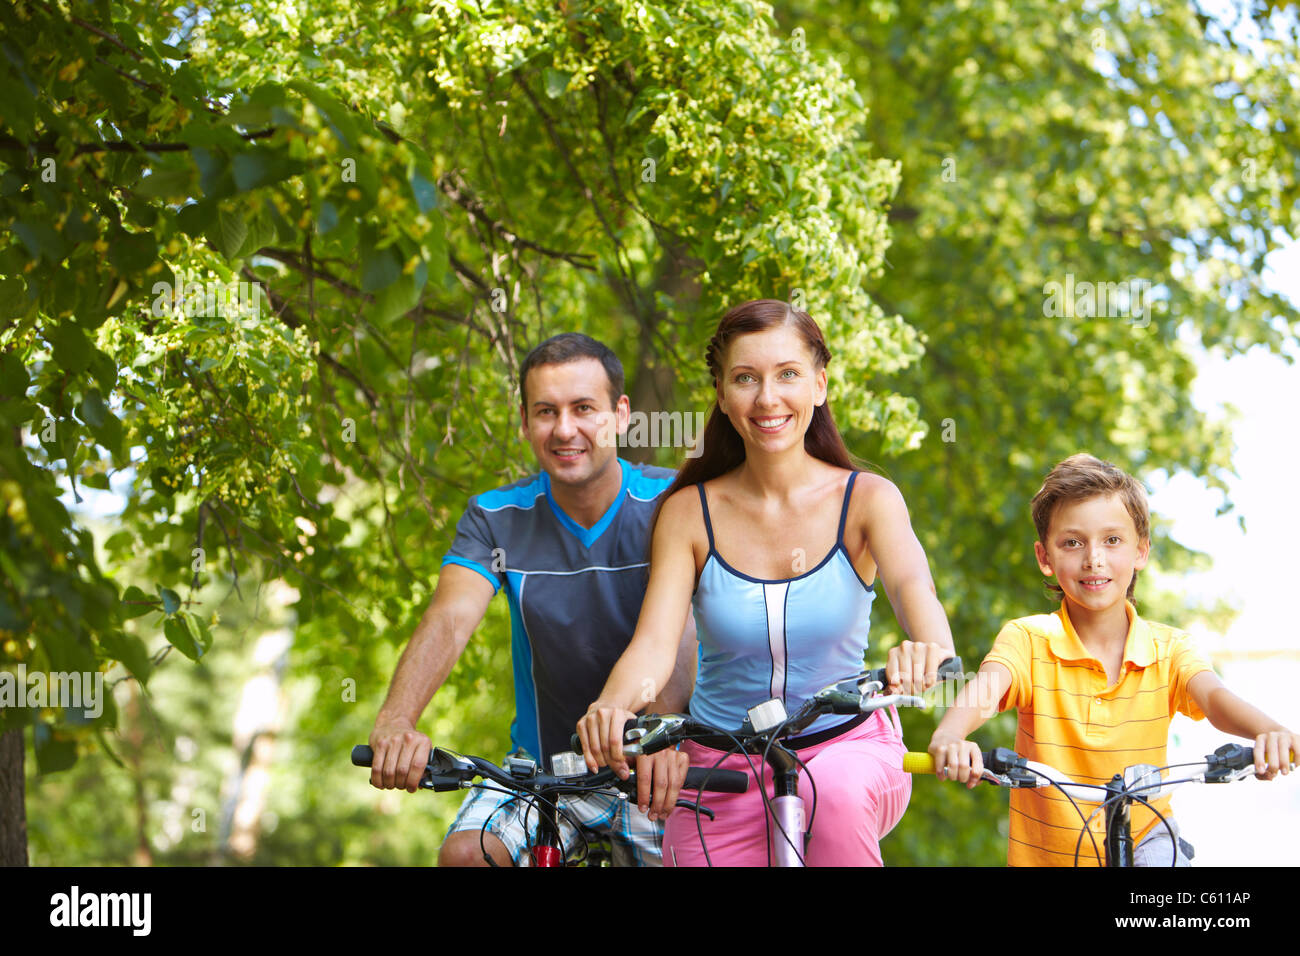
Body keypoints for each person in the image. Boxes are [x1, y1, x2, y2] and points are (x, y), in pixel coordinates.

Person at [575, 299, 958, 866]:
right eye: (746, 379)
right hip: (720, 762)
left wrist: (923, 655)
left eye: (788, 374)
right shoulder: (687, 513)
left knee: (835, 796)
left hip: (845, 748)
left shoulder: (869, 501)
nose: (767, 398)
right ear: (724, 396)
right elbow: (654, 646)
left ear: (820, 385)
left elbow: (920, 605)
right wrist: (612, 705)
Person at [367, 333, 694, 867]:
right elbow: (450, 620)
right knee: (468, 857)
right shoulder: (495, 518)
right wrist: (397, 720)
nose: (565, 429)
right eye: (546, 411)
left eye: (584, 408)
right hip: (544, 770)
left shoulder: (674, 501)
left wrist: (662, 733)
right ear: (524, 422)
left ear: (621, 414)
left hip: (662, 764)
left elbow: (685, 628)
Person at [928, 453, 1298, 866]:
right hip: (1049, 856)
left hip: (1147, 837)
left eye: (1112, 540)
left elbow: (1213, 698)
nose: (1093, 558)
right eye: (1072, 542)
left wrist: (1271, 732)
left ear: (1140, 551)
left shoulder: (1170, 649)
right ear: (1044, 557)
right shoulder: (1029, 639)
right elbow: (986, 689)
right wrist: (951, 735)